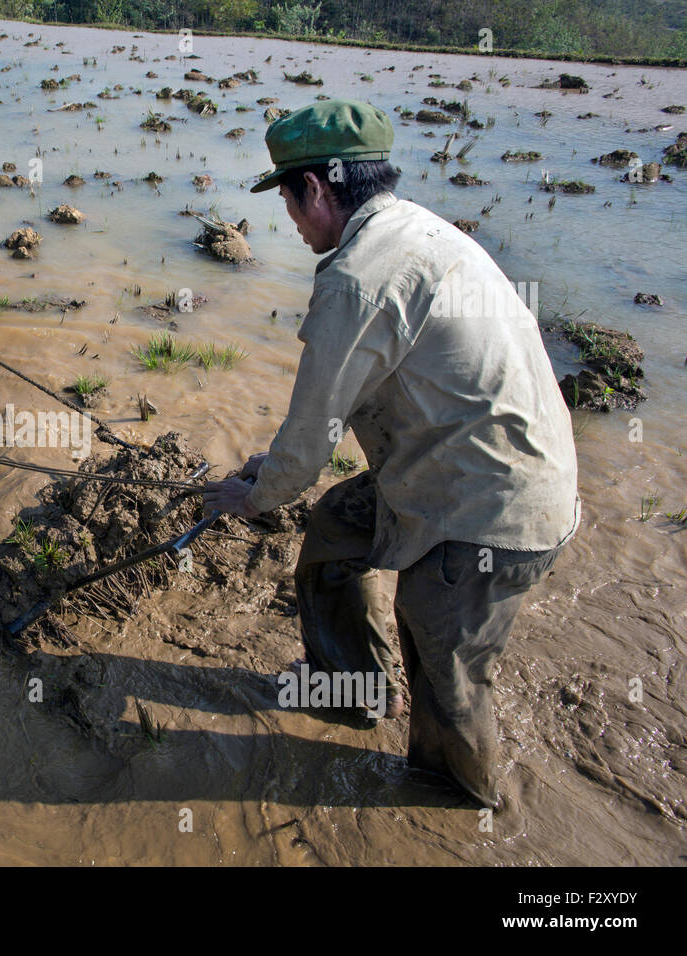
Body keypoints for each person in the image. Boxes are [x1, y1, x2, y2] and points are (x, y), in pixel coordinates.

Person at [201, 99, 580, 809]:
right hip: (483, 465)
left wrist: (252, 496)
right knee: (338, 527)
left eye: (285, 197)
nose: (287, 217)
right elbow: (342, 410)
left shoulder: (355, 279)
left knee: (446, 672)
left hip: (495, 511)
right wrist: (280, 468)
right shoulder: (420, 230)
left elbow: (313, 432)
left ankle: (456, 807)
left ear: (313, 189)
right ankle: (356, 691)